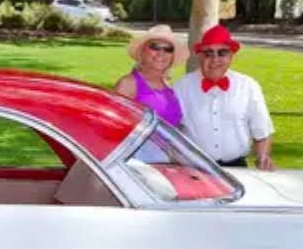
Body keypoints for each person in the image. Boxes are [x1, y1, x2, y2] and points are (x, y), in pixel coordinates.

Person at [172, 25, 276, 171]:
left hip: (237, 169)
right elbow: (170, 131)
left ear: (231, 56)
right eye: (208, 53)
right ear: (200, 56)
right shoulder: (181, 88)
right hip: (193, 169)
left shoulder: (248, 86)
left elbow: (262, 131)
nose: (215, 60)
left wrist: (262, 157)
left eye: (222, 53)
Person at [111, 24, 188, 128]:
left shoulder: (168, 87)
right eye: (155, 47)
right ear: (142, 52)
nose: (161, 53)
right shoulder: (128, 84)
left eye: (168, 49)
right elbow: (112, 123)